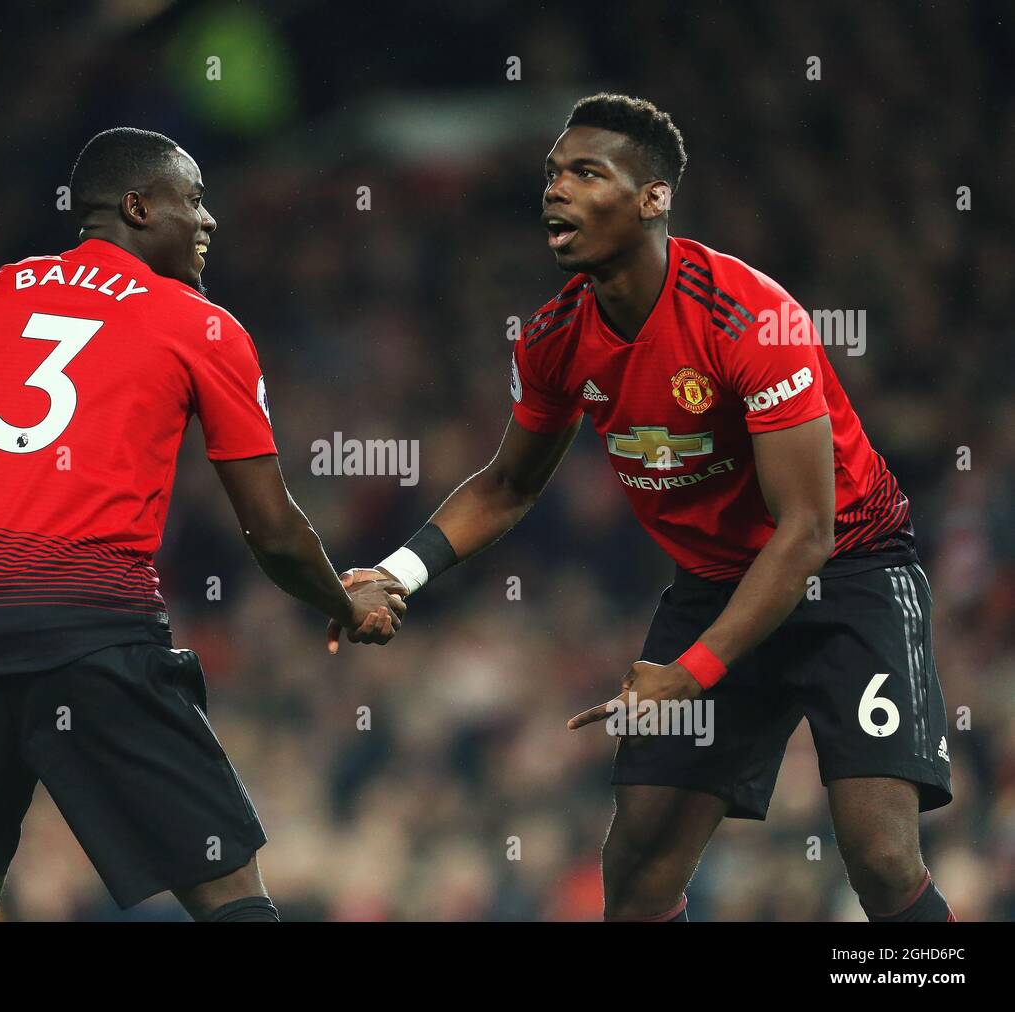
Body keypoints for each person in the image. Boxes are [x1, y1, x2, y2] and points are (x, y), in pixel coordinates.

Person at [0, 127, 404, 922]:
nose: (209, 221)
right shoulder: (202, 328)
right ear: (136, 205)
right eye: (192, 200)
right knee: (229, 891)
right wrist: (343, 602)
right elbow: (269, 527)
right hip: (93, 637)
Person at [331, 94, 954, 922]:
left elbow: (806, 530)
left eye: (587, 173)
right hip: (714, 583)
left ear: (652, 198)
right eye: (553, 174)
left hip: (849, 573)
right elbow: (508, 485)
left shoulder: (750, 318)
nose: (557, 190)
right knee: (638, 868)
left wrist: (690, 673)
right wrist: (398, 573)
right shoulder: (553, 338)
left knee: (877, 855)